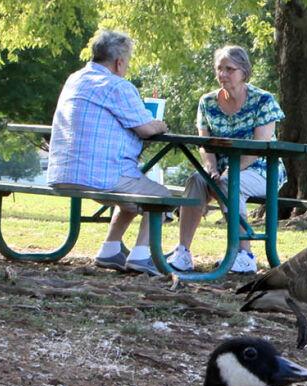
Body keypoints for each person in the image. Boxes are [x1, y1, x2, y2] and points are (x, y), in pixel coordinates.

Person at [47, 29, 169, 274]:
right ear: (119, 62)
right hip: (100, 176)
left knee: (132, 194)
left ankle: (110, 250)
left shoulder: (74, 79)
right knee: (163, 197)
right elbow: (146, 129)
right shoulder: (117, 86)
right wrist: (160, 125)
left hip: (62, 173)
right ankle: (142, 256)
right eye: (127, 62)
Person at [182, 45, 285, 274]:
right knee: (196, 181)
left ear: (244, 71)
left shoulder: (263, 100)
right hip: (222, 171)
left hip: (262, 169)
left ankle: (244, 255)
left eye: (229, 69)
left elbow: (259, 147)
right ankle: (183, 252)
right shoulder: (207, 102)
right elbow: (204, 143)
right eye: (219, 69)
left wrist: (230, 172)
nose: (223, 74)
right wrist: (210, 167)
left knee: (230, 183)